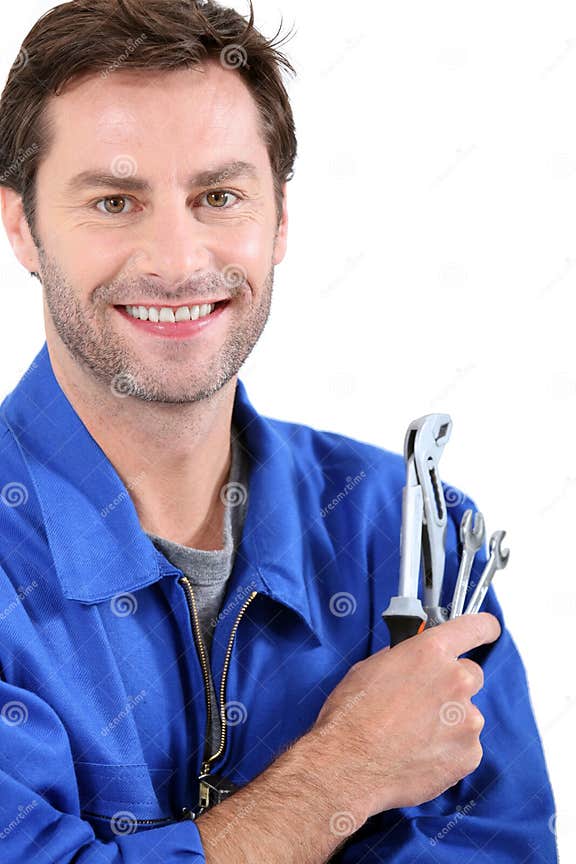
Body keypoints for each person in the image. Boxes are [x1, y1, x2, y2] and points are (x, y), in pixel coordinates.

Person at [0, 1, 557, 861]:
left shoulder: (403, 533)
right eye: (114, 201)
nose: (178, 260)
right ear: (22, 227)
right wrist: (342, 774)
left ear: (280, 219)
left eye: (219, 196)